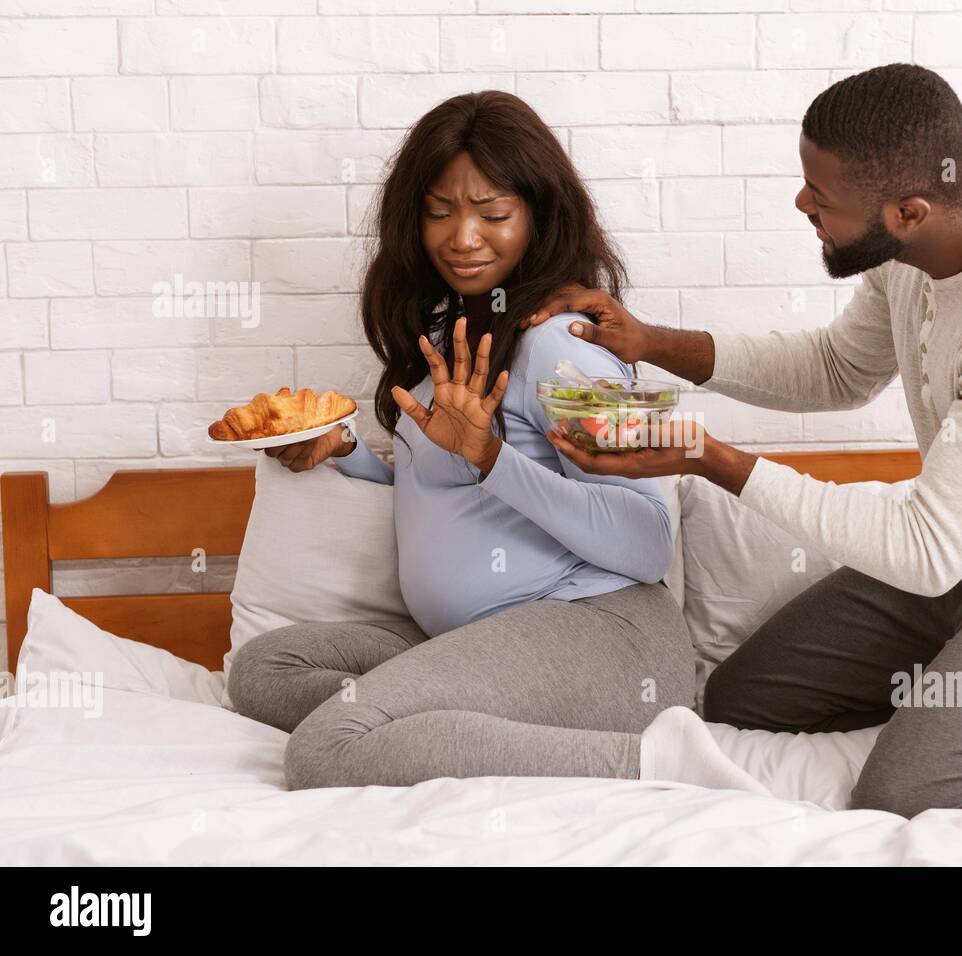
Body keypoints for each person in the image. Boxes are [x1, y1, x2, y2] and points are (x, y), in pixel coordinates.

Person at [521, 64, 962, 818]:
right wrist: (651, 342)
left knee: (912, 791)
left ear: (910, 211)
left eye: (820, 197)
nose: (802, 203)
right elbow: (839, 368)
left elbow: (927, 548)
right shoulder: (931, 236)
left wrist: (711, 458)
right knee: (742, 696)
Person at [226, 91, 765, 796]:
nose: (463, 237)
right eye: (440, 211)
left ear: (538, 217)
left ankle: (654, 764)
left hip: (601, 635)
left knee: (327, 750)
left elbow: (646, 541)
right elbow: (448, 498)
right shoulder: (455, 337)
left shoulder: (563, 347)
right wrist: (345, 451)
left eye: (493, 213)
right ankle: (467, 721)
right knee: (263, 670)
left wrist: (492, 460)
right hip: (471, 641)